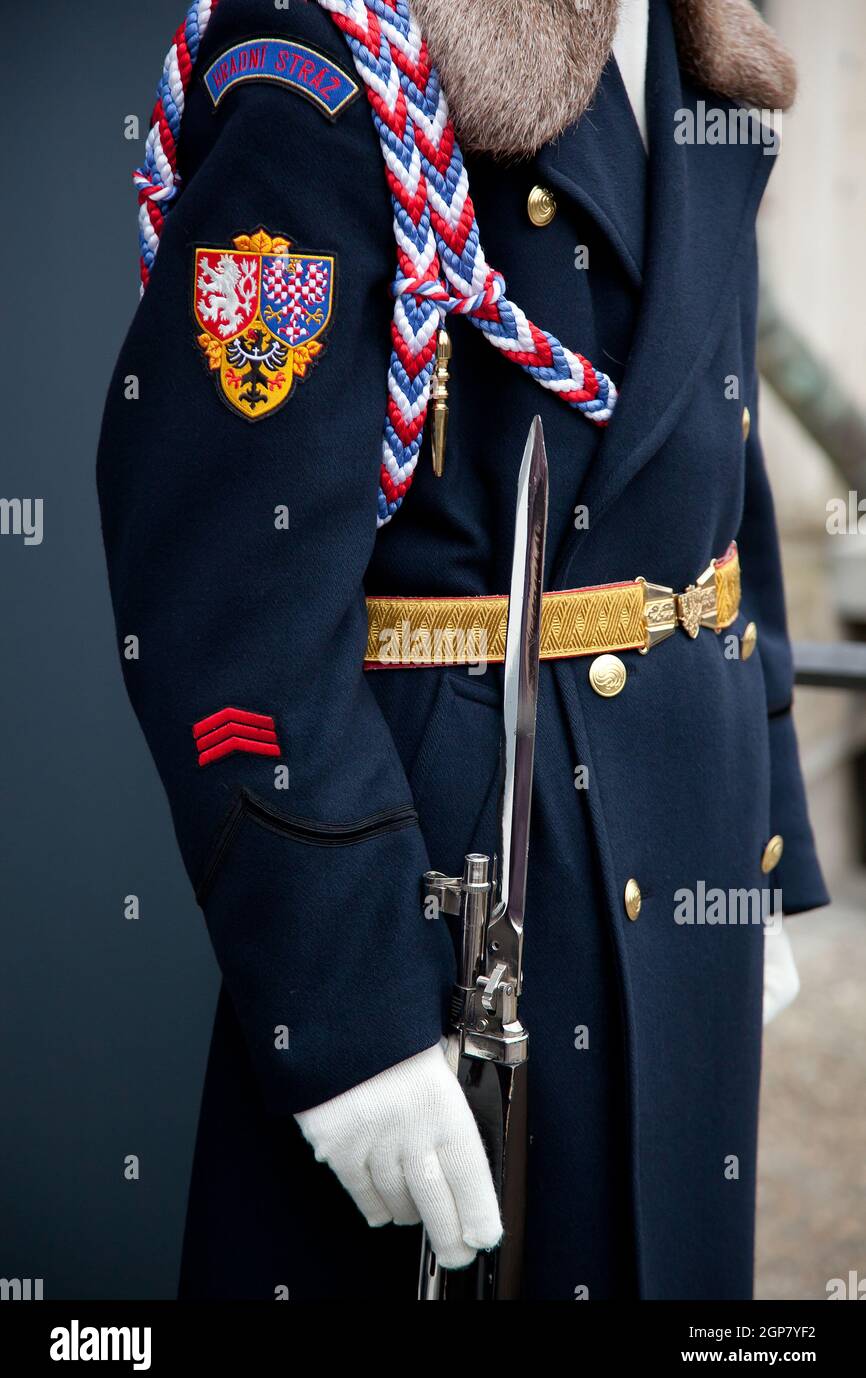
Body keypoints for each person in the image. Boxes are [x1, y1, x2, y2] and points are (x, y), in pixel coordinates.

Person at [97, 0, 826, 1300]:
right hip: (454, 867)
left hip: (680, 832)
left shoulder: (704, 36)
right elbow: (222, 583)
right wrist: (345, 1015)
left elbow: (713, 467)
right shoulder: (326, 51)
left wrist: (758, 828)